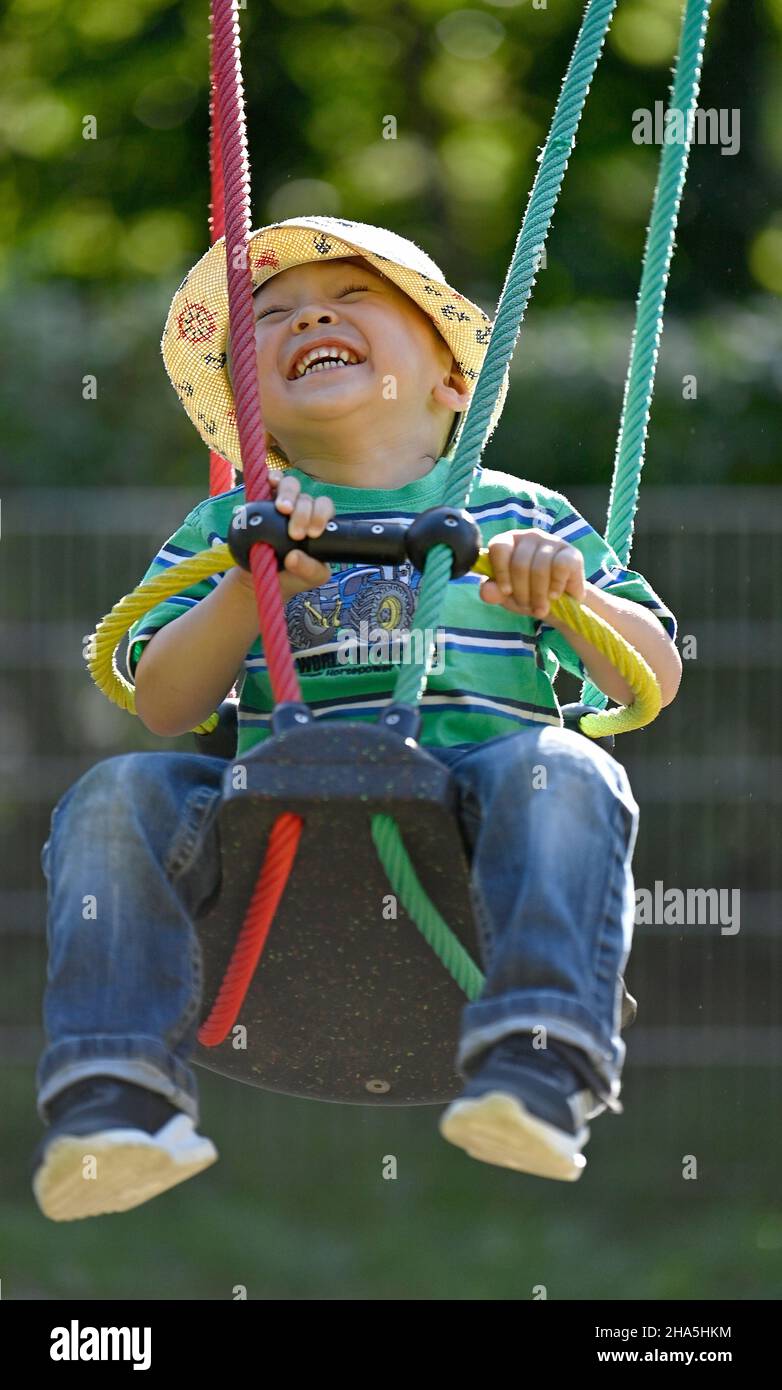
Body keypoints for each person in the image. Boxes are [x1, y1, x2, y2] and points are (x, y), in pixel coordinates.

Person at [32, 217, 681, 1220]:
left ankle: (541, 1058)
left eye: (352, 297)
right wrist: (248, 584)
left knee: (565, 768)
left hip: (471, 840)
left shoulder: (522, 514)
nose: (308, 318)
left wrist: (565, 596)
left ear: (451, 379)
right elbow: (163, 701)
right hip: (276, 834)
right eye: (273, 316)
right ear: (247, 413)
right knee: (117, 791)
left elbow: (650, 676)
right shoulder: (231, 527)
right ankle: (113, 1094)